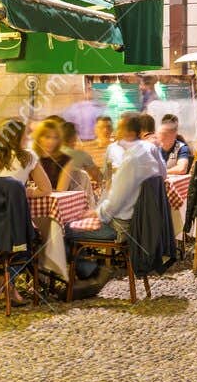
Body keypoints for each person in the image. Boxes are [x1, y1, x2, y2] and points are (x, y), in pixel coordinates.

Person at [66, 113, 164, 281]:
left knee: (66, 230)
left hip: (121, 228)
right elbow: (163, 174)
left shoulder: (130, 161)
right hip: (139, 226)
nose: (115, 133)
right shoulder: (148, 153)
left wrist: (95, 213)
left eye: (119, 129)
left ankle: (91, 272)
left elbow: (114, 204)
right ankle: (88, 271)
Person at [0, 118, 52, 306]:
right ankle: (5, 283)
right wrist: (21, 191)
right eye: (26, 133)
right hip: (11, 227)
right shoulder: (28, 156)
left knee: (17, 235)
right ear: (20, 137)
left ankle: (6, 286)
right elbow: (46, 189)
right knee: (30, 238)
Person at [32, 118, 73, 191]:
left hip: (55, 201)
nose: (51, 141)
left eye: (55, 138)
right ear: (38, 138)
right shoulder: (30, 157)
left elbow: (61, 192)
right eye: (47, 137)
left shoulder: (66, 160)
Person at [59, 120, 99, 189]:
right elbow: (99, 177)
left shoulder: (52, 155)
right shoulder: (82, 155)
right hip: (78, 196)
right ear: (74, 137)